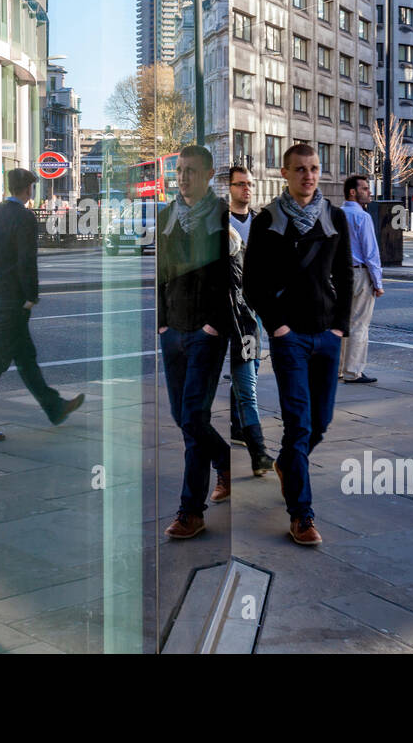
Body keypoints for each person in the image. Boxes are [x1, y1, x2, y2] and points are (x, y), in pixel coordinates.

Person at [244, 144, 352, 546]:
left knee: (319, 424)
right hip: (290, 338)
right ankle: (301, 516)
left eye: (314, 169)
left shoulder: (335, 217)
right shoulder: (268, 219)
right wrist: (278, 326)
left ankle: (288, 464)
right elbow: (252, 282)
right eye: (300, 169)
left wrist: (340, 329)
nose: (309, 176)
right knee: (299, 423)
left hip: (326, 337)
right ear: (285, 173)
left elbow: (345, 277)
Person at [0, 167, 84, 442]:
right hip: (14, 303)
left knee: (26, 358)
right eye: (31, 188)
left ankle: (55, 407)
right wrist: (31, 296)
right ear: (27, 190)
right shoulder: (24, 218)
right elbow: (26, 260)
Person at [159, 145, 233, 540]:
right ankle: (224, 459)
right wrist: (161, 324)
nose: (183, 177)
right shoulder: (166, 216)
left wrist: (214, 325)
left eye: (190, 171)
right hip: (172, 333)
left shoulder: (223, 216)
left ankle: (191, 511)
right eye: (179, 170)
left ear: (208, 174)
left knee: (192, 418)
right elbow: (160, 275)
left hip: (207, 334)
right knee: (184, 417)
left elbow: (233, 277)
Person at [224, 165, 275, 478]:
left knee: (249, 370)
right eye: (240, 184)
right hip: (229, 312)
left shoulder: (259, 222)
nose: (246, 189)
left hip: (252, 311)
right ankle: (256, 448)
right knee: (246, 380)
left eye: (249, 185)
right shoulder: (220, 222)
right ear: (229, 188)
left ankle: (237, 426)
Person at [339, 174, 384, 383]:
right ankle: (353, 371)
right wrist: (378, 282)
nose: (369, 192)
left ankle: (338, 368)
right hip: (360, 273)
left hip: (340, 274)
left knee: (341, 323)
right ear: (353, 192)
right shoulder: (362, 217)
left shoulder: (336, 214)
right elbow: (371, 252)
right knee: (359, 325)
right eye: (365, 188)